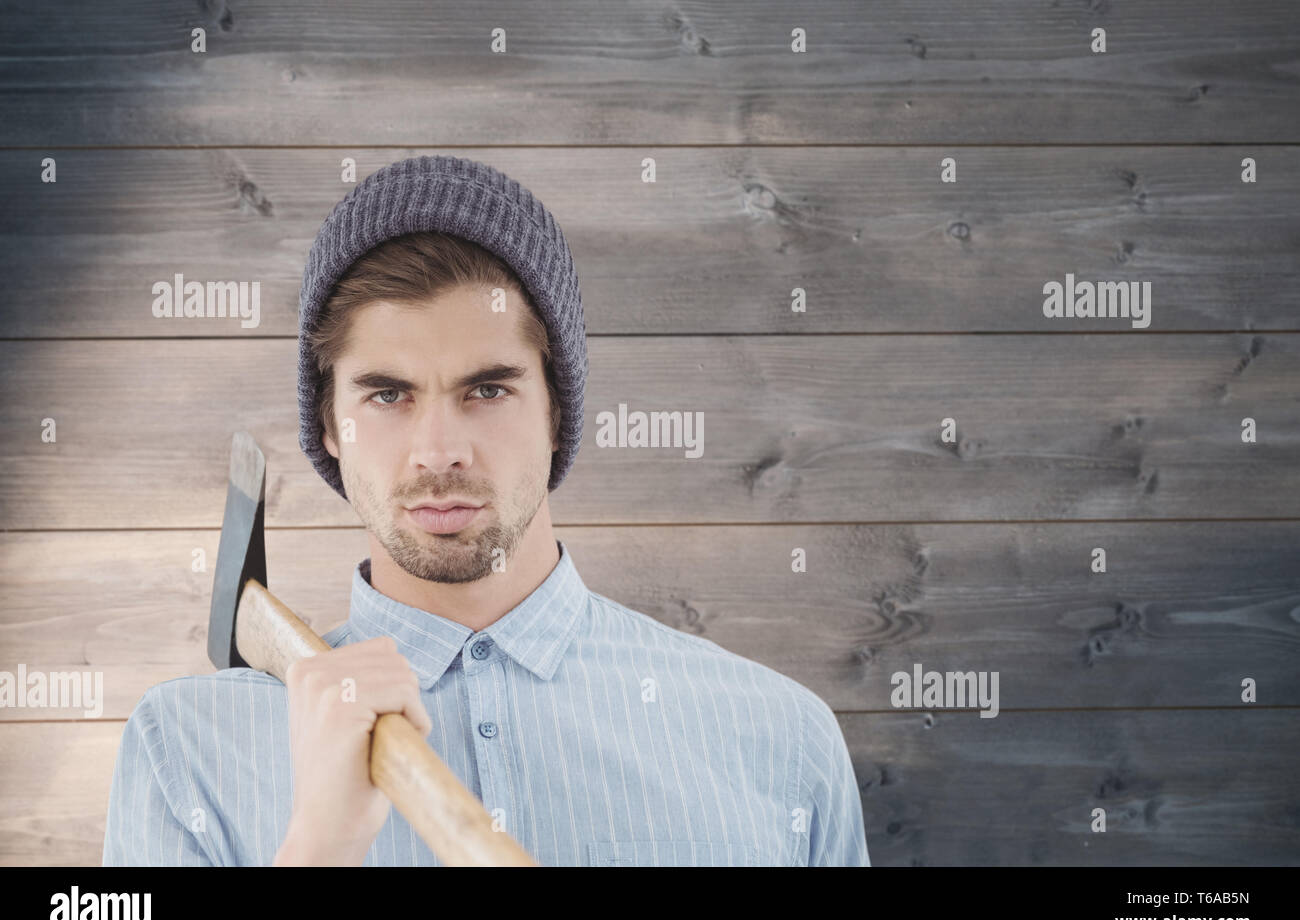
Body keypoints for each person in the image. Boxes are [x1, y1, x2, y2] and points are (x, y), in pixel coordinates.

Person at [102, 155, 869, 866]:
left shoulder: (781, 742)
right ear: (332, 424)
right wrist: (320, 846)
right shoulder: (187, 750)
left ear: (558, 410)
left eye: (488, 389)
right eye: (388, 394)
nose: (439, 452)